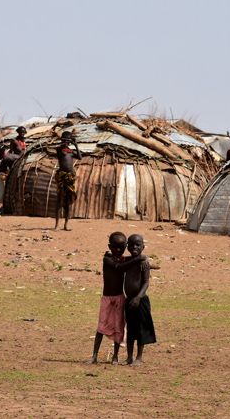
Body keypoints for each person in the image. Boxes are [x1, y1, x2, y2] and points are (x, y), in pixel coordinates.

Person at [86, 232, 149, 365]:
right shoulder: (108, 260)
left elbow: (135, 263)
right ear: (109, 246)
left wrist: (143, 259)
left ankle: (115, 356)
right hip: (107, 299)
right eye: (115, 247)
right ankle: (94, 356)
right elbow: (120, 268)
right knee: (101, 327)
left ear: (125, 247)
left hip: (120, 298)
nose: (118, 250)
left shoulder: (125, 259)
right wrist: (140, 259)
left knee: (118, 327)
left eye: (121, 248)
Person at [124, 234, 156, 366]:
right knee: (130, 329)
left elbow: (146, 283)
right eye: (131, 245)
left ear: (143, 246)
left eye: (138, 245)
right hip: (129, 300)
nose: (134, 247)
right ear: (127, 247)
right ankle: (129, 357)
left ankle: (139, 357)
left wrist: (138, 297)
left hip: (140, 300)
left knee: (141, 329)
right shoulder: (128, 261)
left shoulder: (144, 264)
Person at [54, 131, 82, 231]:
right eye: (66, 139)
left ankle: (66, 224)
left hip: (70, 177)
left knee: (69, 201)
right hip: (62, 177)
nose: (67, 142)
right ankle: (57, 225)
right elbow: (59, 148)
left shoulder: (70, 151)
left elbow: (80, 157)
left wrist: (76, 145)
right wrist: (64, 142)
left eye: (69, 139)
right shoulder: (60, 150)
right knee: (60, 201)